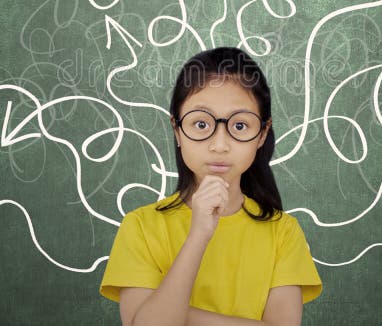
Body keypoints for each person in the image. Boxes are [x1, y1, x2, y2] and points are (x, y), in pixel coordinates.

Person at [100, 47, 322, 325]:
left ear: (262, 134)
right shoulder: (141, 227)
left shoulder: (283, 233)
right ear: (177, 130)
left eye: (240, 126)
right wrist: (199, 235)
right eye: (201, 123)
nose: (219, 145)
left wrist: (178, 313)